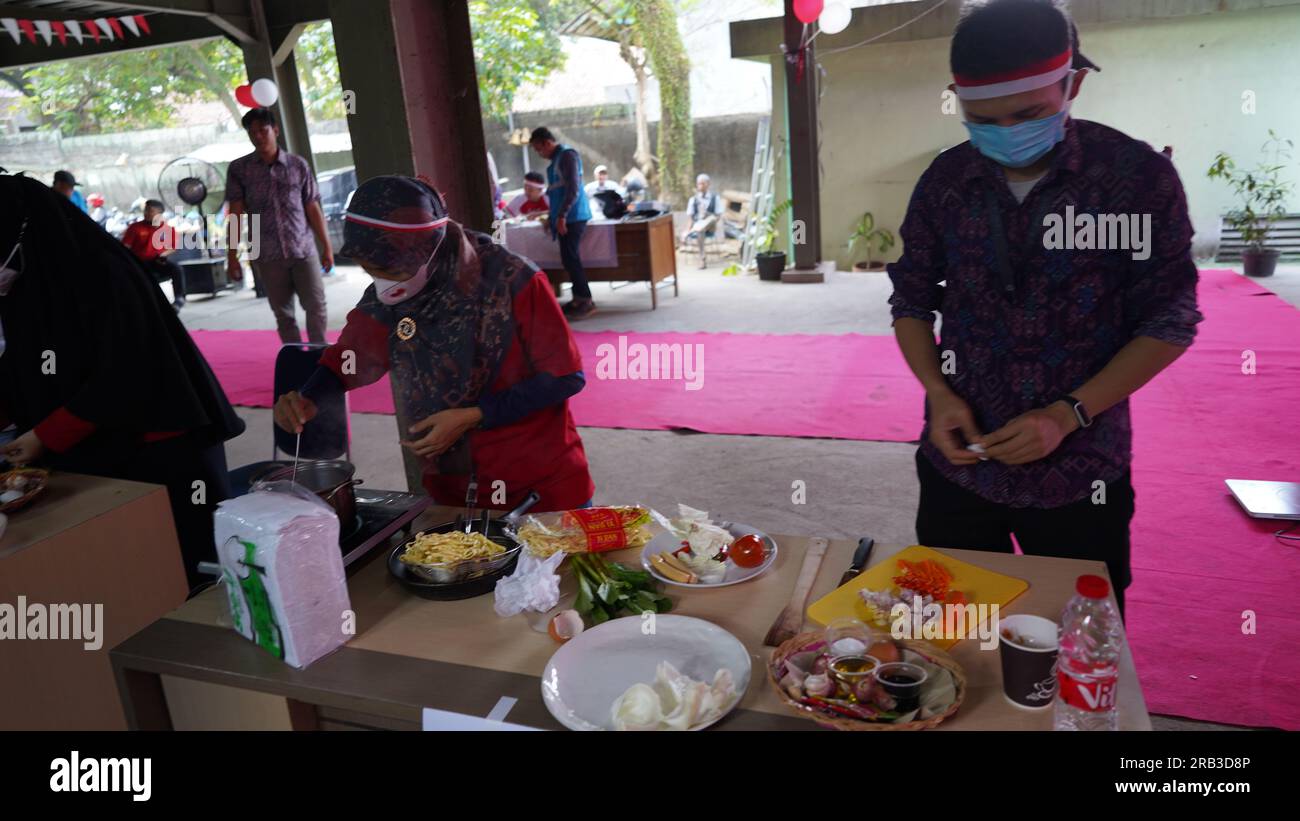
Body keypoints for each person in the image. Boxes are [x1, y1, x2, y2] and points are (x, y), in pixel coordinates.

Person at [887, 0, 1202, 616]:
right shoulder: (946, 183)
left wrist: (1068, 415)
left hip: (1081, 470)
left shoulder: (1135, 180)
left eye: (1028, 113)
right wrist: (938, 393)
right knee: (954, 632)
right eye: (982, 119)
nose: (1005, 133)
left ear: (1072, 84)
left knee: (1079, 643)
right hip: (959, 462)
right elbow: (912, 300)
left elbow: (1170, 320)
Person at [272, 175, 594, 513]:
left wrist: (474, 415)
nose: (381, 284)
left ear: (428, 250)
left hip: (540, 488)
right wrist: (308, 397)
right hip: (452, 491)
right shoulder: (390, 294)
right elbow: (348, 359)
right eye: (370, 272)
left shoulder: (514, 282)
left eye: (386, 270)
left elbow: (565, 377)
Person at [0, 174, 246, 593]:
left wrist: (46, 433)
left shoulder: (101, 271)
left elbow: (126, 369)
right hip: (105, 444)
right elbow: (25, 366)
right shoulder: (29, 280)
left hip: (165, 442)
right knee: (138, 576)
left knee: (197, 569)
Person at [225, 107, 334, 343]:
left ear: (275, 130)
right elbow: (235, 215)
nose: (258, 136)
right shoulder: (239, 170)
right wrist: (231, 256)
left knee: (316, 305)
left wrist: (326, 246)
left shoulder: (298, 165)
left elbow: (312, 208)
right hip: (266, 252)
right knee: (283, 315)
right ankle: (294, 362)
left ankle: (318, 357)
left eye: (263, 130)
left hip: (303, 249)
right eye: (252, 132)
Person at [529, 127, 596, 320]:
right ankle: (578, 298)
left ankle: (586, 300)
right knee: (568, 258)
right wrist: (552, 216)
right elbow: (557, 194)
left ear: (547, 143)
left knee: (571, 258)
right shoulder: (556, 160)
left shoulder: (567, 155)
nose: (539, 154)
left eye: (538, 149)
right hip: (565, 216)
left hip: (574, 216)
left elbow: (573, 188)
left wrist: (561, 216)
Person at [121, 199, 187, 311]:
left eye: (150, 211)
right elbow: (125, 247)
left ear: (159, 213)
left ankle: (179, 299)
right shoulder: (135, 228)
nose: (146, 213)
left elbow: (173, 247)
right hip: (139, 263)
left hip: (157, 261)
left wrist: (163, 254)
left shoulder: (167, 229)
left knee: (177, 269)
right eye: (145, 210)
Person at [681, 173, 723, 268]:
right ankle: (702, 258)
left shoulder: (715, 198)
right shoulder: (693, 199)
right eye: (698, 184)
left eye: (702, 183)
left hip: (711, 225)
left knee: (711, 218)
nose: (700, 186)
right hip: (699, 227)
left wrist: (708, 215)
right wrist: (687, 230)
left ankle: (697, 228)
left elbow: (718, 216)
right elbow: (690, 218)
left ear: (708, 184)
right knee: (700, 229)